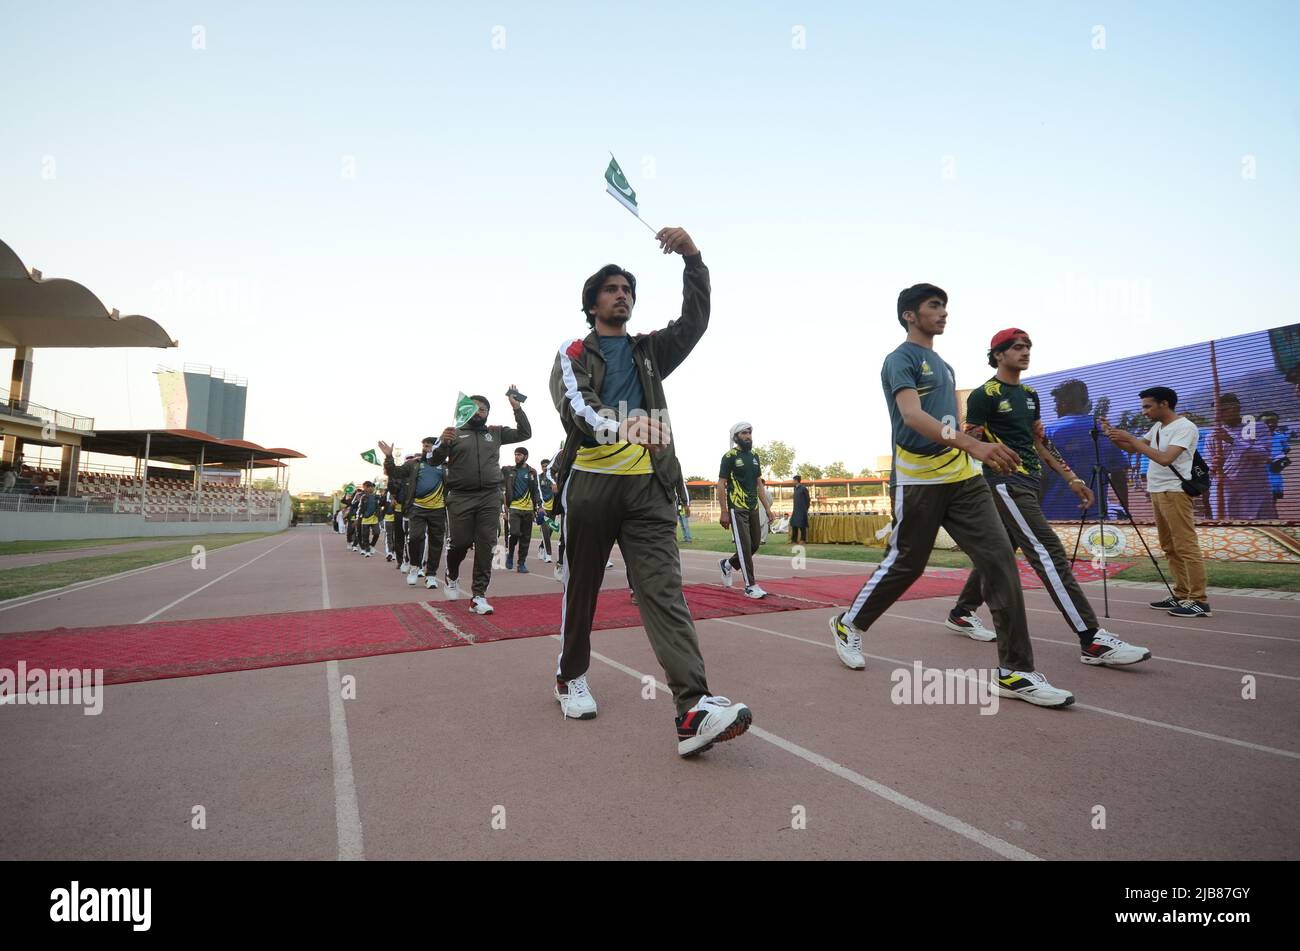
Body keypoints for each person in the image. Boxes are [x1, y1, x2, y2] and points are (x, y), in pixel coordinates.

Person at [548, 225, 752, 756]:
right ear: (592, 301)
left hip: (649, 489)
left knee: (663, 592)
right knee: (584, 588)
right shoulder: (572, 351)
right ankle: (571, 677)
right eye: (612, 288)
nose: (623, 295)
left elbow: (696, 321)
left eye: (629, 290)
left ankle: (693, 709)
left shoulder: (649, 351)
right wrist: (626, 425)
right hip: (592, 486)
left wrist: (694, 258)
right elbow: (578, 409)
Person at [828, 284, 1075, 708]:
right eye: (934, 306)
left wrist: (977, 443)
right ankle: (849, 623)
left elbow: (949, 423)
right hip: (918, 479)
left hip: (963, 478)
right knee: (907, 563)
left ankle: (1015, 671)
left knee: (999, 560)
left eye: (945, 306)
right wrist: (973, 444)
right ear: (910, 315)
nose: (943, 313)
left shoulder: (944, 365)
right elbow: (912, 416)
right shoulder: (900, 359)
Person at [941, 328, 1149, 666]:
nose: (1025, 352)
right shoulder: (984, 395)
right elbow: (972, 442)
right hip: (1005, 483)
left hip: (1032, 482)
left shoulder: (1029, 394)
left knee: (1001, 552)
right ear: (998, 354)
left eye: (1028, 347)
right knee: (1048, 551)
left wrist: (1071, 477)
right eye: (1017, 347)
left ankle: (961, 612)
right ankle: (1091, 639)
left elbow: (1040, 442)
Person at [1103, 387, 1211, 618]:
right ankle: (1182, 594)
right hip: (1158, 491)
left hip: (1175, 492)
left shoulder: (1185, 427)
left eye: (1147, 406)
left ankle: (1199, 600)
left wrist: (1132, 439)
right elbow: (1133, 448)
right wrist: (1113, 436)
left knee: (1185, 545)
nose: (1144, 411)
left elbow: (1164, 458)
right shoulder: (1159, 427)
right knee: (1169, 546)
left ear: (1164, 404)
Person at [433, 390, 531, 614]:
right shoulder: (453, 433)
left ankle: (478, 596)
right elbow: (435, 460)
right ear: (465, 411)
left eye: (484, 409)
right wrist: (442, 445)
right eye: (474, 408)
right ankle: (452, 573)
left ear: (488, 413)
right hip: (460, 496)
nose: (479, 412)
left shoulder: (495, 433)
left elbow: (525, 433)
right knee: (460, 542)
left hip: (489, 496)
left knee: (486, 544)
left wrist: (517, 408)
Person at [1041, 378, 1130, 521]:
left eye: (1056, 403)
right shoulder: (1103, 430)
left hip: (1053, 516)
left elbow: (1040, 478)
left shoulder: (1048, 433)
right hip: (1095, 516)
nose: (1055, 408)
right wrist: (1125, 514)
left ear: (1063, 403)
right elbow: (1118, 476)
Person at [718, 423, 776, 599]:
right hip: (737, 507)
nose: (748, 436)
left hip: (753, 507)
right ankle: (750, 586)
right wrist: (724, 511)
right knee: (744, 547)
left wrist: (767, 508)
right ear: (735, 436)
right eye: (744, 433)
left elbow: (759, 484)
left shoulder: (754, 457)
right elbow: (721, 484)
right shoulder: (729, 457)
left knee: (755, 545)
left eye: (750, 433)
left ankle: (727, 564)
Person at [381, 438, 447, 590]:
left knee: (436, 543)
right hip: (417, 508)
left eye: (428, 446)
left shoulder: (445, 466)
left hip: (438, 510)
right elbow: (394, 472)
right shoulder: (414, 464)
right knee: (415, 537)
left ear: (436, 448)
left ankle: (430, 575)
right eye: (423, 446)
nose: (425, 448)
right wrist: (389, 457)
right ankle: (414, 567)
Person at [1210, 393, 1276, 519]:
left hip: (1254, 493)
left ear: (1236, 409)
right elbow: (1206, 465)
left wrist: (1233, 441)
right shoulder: (1213, 435)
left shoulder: (1258, 428)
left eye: (1222, 411)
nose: (1217, 416)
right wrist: (1213, 467)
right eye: (1216, 412)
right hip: (1225, 493)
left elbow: (1264, 455)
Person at [501, 447, 542, 573]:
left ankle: (521, 563)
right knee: (514, 533)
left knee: (526, 538)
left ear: (526, 456)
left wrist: (539, 506)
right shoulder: (509, 471)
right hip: (514, 508)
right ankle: (510, 555)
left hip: (529, 510)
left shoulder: (532, 472)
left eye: (519, 455)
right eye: (515, 454)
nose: (516, 457)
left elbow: (535, 490)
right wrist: (505, 509)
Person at [1260, 411, 1291, 501]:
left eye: (1274, 422)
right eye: (1267, 422)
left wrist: (1280, 460)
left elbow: (1286, 449)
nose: (1271, 424)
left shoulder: (1280, 437)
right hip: (1259, 477)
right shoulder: (1254, 439)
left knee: (1272, 500)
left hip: (1274, 475)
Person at [538, 458, 557, 563]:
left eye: (547, 466)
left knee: (551, 530)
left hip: (553, 509)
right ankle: (548, 554)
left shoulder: (554, 477)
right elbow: (536, 492)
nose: (545, 468)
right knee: (545, 531)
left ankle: (541, 546)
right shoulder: (538, 477)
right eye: (543, 466)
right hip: (543, 509)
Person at [354, 482, 381, 557]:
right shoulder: (363, 497)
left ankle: (372, 545)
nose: (365, 489)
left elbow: (381, 506)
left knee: (377, 533)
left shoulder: (377, 497)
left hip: (374, 518)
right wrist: (357, 518)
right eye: (365, 487)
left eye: (371, 487)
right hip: (365, 519)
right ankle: (367, 550)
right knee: (365, 536)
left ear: (371, 488)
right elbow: (359, 508)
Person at [789, 473, 810, 544]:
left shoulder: (803, 488)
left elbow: (808, 499)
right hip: (795, 510)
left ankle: (803, 540)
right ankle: (794, 540)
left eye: (793, 480)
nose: (792, 482)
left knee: (802, 525)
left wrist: (805, 509)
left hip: (802, 510)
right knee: (794, 524)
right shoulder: (795, 488)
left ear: (796, 480)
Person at [676, 475, 694, 542]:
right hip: (678, 509)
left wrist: (688, 508)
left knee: (685, 525)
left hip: (683, 509)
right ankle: (685, 538)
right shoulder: (676, 490)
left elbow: (689, 501)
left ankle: (688, 538)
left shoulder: (686, 491)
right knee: (682, 525)